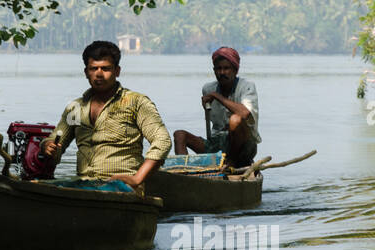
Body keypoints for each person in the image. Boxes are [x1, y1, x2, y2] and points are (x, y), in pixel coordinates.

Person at [41, 40, 171, 191]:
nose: (99, 74)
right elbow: (56, 140)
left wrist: (137, 179)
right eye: (94, 68)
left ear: (117, 71)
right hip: (84, 184)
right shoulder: (76, 108)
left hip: (121, 186)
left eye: (106, 68)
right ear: (86, 72)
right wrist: (47, 146)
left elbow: (162, 141)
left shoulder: (135, 102)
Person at [172, 47, 260, 169]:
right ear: (214, 70)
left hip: (243, 147)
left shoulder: (246, 86)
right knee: (179, 135)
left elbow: (244, 113)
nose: (222, 72)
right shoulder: (208, 89)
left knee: (235, 120)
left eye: (226, 68)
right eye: (219, 69)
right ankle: (184, 170)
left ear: (235, 70)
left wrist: (217, 96)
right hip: (217, 144)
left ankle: (231, 162)